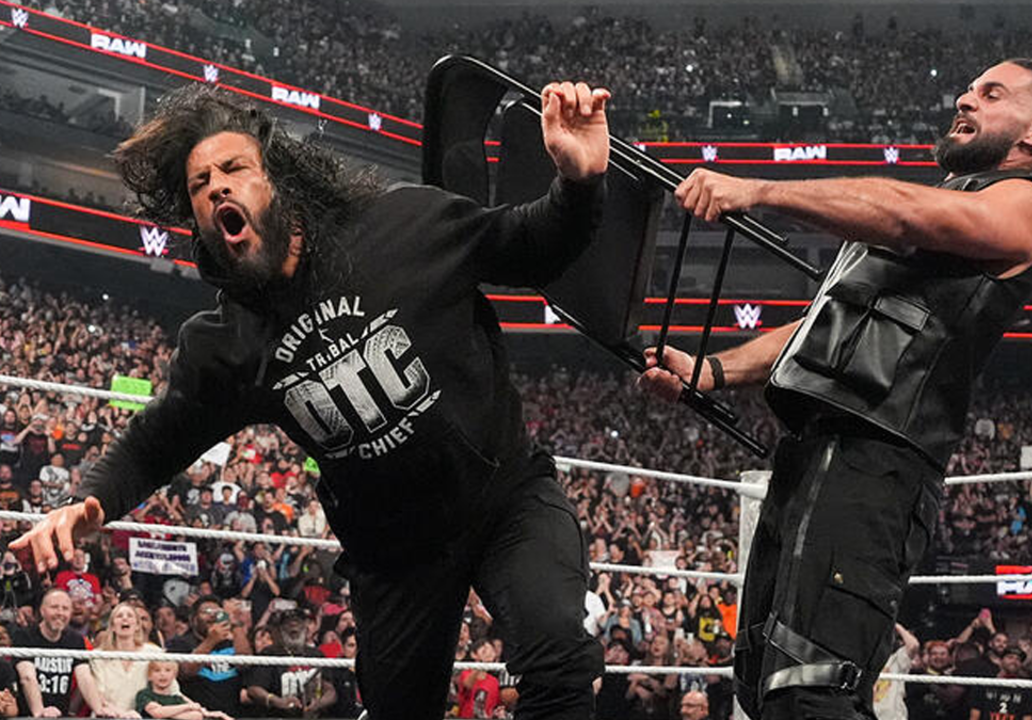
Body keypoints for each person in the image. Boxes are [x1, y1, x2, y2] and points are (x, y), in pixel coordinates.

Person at [12, 77, 612, 720]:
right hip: (395, 554)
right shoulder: (228, 343)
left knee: (558, 654)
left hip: (503, 497)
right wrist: (83, 503)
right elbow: (156, 440)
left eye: (234, 168)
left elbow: (534, 245)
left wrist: (578, 183)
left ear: (280, 179)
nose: (217, 187)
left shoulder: (402, 225)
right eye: (200, 184)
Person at [639, 58, 1032, 720]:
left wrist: (759, 189)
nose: (965, 99)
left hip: (876, 464)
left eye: (991, 93)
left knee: (812, 685)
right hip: (820, 451)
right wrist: (711, 371)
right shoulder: (945, 212)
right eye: (968, 90)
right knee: (765, 681)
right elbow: (826, 320)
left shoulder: (1030, 201)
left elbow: (908, 213)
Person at [12, 588, 118, 717]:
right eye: (54, 607)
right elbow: (27, 677)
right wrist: (40, 712)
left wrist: (99, 710)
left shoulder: (76, 640)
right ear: (42, 611)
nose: (60, 613)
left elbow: (84, 677)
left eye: (65, 608)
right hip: (28, 716)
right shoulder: (24, 636)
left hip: (61, 715)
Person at [164, 595, 251, 716]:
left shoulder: (231, 642)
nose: (212, 615)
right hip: (195, 714)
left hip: (231, 714)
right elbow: (185, 672)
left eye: (217, 612)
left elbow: (245, 664)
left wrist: (235, 623)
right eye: (206, 611)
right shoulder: (180, 643)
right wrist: (211, 640)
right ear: (194, 619)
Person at [89, 602, 163, 717]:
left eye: (130, 615)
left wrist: (191, 707)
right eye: (119, 616)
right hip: (108, 716)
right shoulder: (98, 656)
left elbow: (169, 689)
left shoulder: (154, 653)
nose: (125, 618)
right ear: (112, 627)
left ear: (137, 625)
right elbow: (98, 696)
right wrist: (123, 715)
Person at [135, 659, 232, 720]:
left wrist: (167, 712)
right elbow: (157, 713)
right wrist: (186, 708)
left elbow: (196, 716)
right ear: (149, 676)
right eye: (157, 670)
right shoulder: (145, 694)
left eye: (168, 670)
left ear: (174, 675)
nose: (162, 674)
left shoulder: (177, 698)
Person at [966, 648, 1032, 720]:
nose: (1014, 661)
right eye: (1010, 657)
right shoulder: (985, 684)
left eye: (1018, 659)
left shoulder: (1026, 689)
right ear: (1001, 661)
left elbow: (1028, 717)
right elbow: (974, 716)